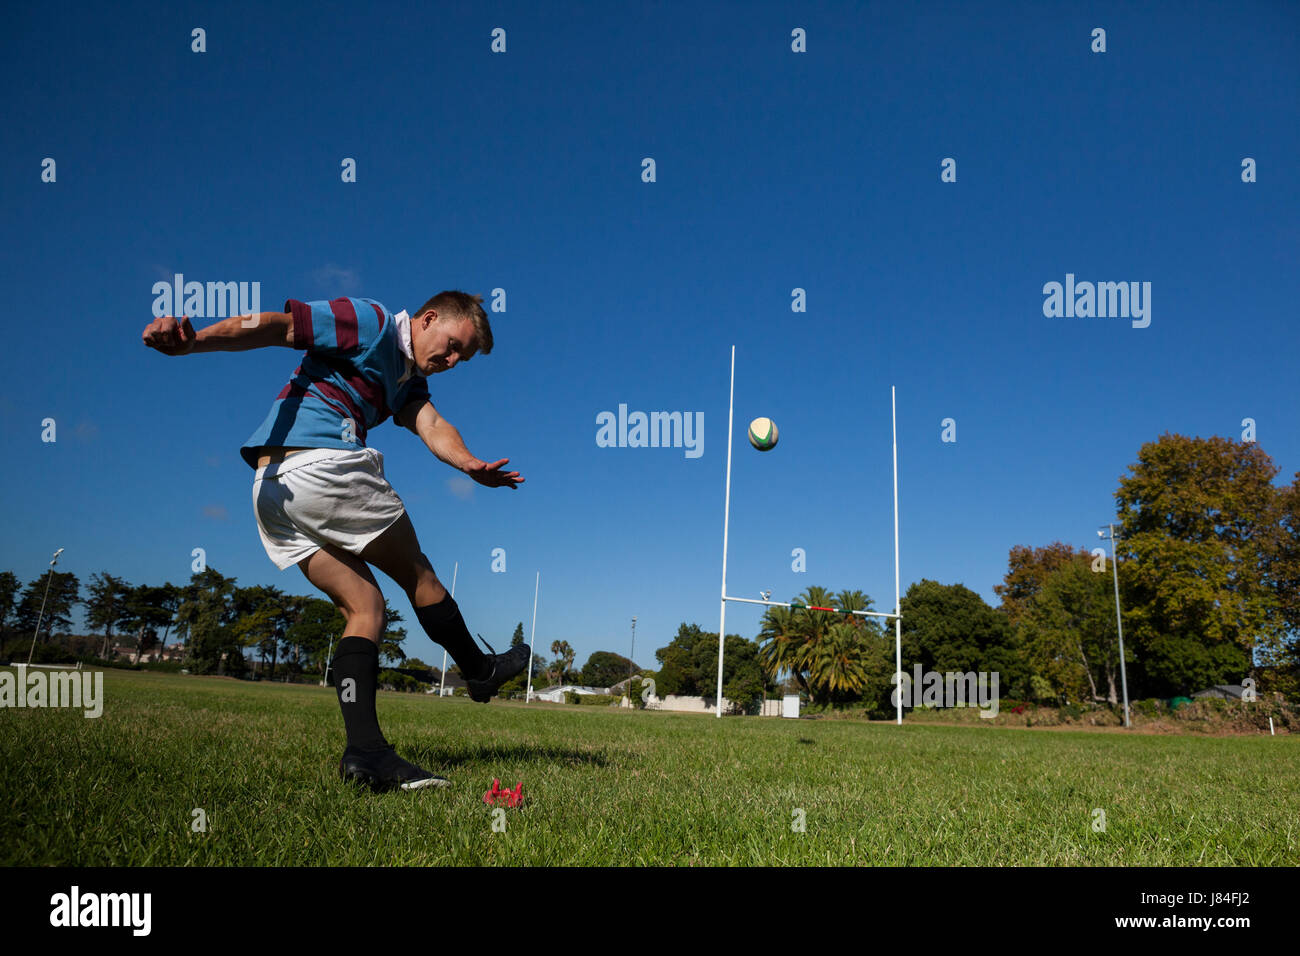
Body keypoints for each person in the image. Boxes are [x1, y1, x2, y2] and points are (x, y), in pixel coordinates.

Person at [142, 292, 531, 792]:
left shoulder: (408, 379)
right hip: (321, 466)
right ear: (428, 318)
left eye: (462, 358)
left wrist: (468, 462)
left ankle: (366, 755)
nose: (452, 361)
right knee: (418, 573)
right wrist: (192, 343)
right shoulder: (369, 322)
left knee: (365, 605)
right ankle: (478, 670)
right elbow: (277, 327)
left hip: (271, 490)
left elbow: (431, 425)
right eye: (453, 346)